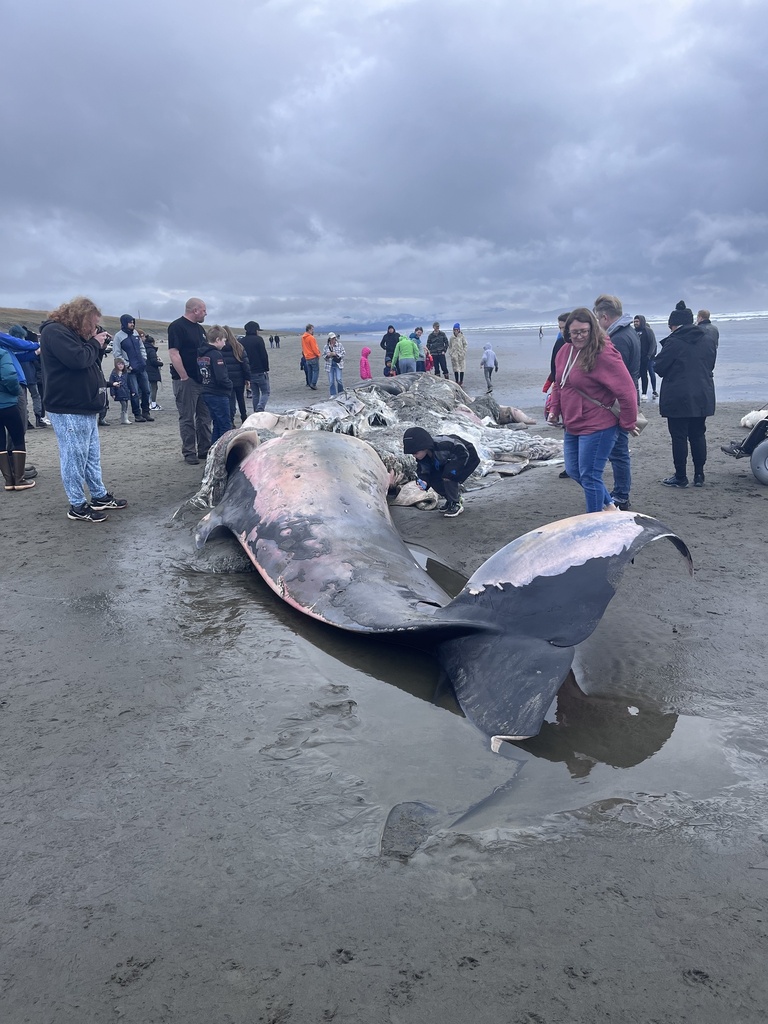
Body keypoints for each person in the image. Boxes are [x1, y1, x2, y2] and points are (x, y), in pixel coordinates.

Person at [39, 296, 127, 521]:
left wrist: (97, 346)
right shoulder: (55, 332)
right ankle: (77, 505)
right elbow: (77, 360)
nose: (94, 328)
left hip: (84, 404)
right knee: (73, 456)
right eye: (92, 324)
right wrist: (94, 342)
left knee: (90, 456)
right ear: (79, 318)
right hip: (67, 406)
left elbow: (88, 362)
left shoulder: (74, 335)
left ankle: (99, 496)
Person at [547, 307, 638, 514]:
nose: (578, 336)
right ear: (567, 332)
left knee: (590, 475)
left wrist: (627, 423)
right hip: (573, 423)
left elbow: (627, 390)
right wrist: (554, 409)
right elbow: (559, 384)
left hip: (599, 424)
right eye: (574, 332)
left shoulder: (604, 353)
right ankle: (610, 508)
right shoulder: (564, 352)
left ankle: (595, 525)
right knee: (573, 470)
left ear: (592, 330)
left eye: (583, 331)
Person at [655, 300, 717, 488]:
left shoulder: (674, 341)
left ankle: (681, 476)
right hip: (702, 394)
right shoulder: (707, 339)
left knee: (679, 437)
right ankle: (699, 475)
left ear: (674, 325)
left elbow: (659, 367)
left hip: (678, 396)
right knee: (698, 435)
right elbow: (710, 364)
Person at [593, 294, 641, 511]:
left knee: (618, 451)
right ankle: (621, 492)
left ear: (604, 317)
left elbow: (614, 376)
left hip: (618, 403)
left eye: (596, 319)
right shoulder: (630, 333)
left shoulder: (618, 338)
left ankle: (621, 494)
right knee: (618, 450)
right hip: (627, 396)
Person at [168, 297, 212, 465]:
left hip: (202, 379)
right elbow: (174, 352)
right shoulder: (177, 327)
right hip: (186, 380)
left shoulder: (200, 329)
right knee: (187, 417)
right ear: (195, 310)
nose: (205, 313)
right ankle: (189, 452)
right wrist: (184, 376)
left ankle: (204, 449)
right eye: (203, 310)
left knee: (204, 416)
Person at [402, 425, 480, 518]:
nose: (414, 456)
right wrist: (424, 481)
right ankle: (450, 500)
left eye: (415, 453)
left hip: (467, 456)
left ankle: (455, 503)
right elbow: (423, 470)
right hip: (448, 460)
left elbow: (462, 451)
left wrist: (453, 471)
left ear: (424, 447)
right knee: (433, 479)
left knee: (448, 475)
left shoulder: (443, 445)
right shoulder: (423, 456)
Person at [0, 345, 35, 491]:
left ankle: (8, 481)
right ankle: (19, 479)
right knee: (17, 438)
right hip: (7, 403)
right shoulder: (2, 353)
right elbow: (9, 376)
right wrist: (15, 392)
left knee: (0, 442)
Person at [198, 326, 233, 443]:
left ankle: (213, 451)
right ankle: (223, 454)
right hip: (218, 393)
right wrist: (229, 385)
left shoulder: (202, 354)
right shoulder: (216, 355)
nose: (225, 343)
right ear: (218, 340)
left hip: (206, 390)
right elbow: (221, 377)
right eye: (224, 340)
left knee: (217, 424)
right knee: (225, 426)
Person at [114, 315, 153, 422]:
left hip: (141, 367)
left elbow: (141, 347)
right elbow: (117, 353)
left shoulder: (135, 333)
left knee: (146, 390)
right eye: (130, 322)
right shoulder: (118, 336)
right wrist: (127, 365)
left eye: (133, 322)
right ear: (124, 323)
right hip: (130, 370)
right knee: (134, 392)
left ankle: (146, 412)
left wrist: (144, 358)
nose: (132, 324)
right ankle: (137, 414)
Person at [222, 326, 252, 424]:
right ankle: (244, 418)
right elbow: (245, 364)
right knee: (241, 400)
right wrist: (247, 378)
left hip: (227, 379)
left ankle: (231, 421)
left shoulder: (220, 348)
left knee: (230, 400)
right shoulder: (238, 346)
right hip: (239, 379)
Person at [241, 322, 270, 410]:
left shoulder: (242, 341)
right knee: (266, 392)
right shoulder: (258, 339)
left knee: (255, 394)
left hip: (249, 372)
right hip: (260, 371)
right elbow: (263, 355)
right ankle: (260, 408)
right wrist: (266, 368)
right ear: (255, 330)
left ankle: (256, 412)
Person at [633, 315, 658, 401]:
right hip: (636, 358)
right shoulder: (633, 332)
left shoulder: (648, 331)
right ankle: (634, 392)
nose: (635, 323)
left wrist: (649, 355)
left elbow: (653, 344)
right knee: (635, 375)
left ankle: (644, 393)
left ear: (641, 322)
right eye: (634, 321)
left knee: (645, 375)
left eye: (637, 321)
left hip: (646, 357)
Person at [108, 358, 132, 424]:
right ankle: (124, 418)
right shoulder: (113, 374)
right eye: (119, 364)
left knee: (126, 404)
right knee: (124, 404)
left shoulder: (125, 373)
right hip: (119, 392)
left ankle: (124, 418)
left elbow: (129, 383)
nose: (121, 366)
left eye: (122, 364)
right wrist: (112, 393)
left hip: (126, 391)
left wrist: (132, 391)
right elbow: (111, 384)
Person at [144, 335, 164, 410]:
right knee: (153, 388)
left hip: (145, 370)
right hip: (152, 371)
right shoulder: (151, 350)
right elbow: (153, 361)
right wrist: (160, 363)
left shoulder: (143, 348)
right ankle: (153, 405)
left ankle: (148, 404)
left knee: (147, 388)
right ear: (152, 342)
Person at [301, 324, 321, 390]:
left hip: (307, 357)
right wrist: (318, 354)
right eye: (312, 329)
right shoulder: (311, 338)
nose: (313, 331)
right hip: (313, 356)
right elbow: (314, 348)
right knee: (316, 370)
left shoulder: (303, 337)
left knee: (310, 371)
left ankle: (310, 383)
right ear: (309, 330)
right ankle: (313, 383)